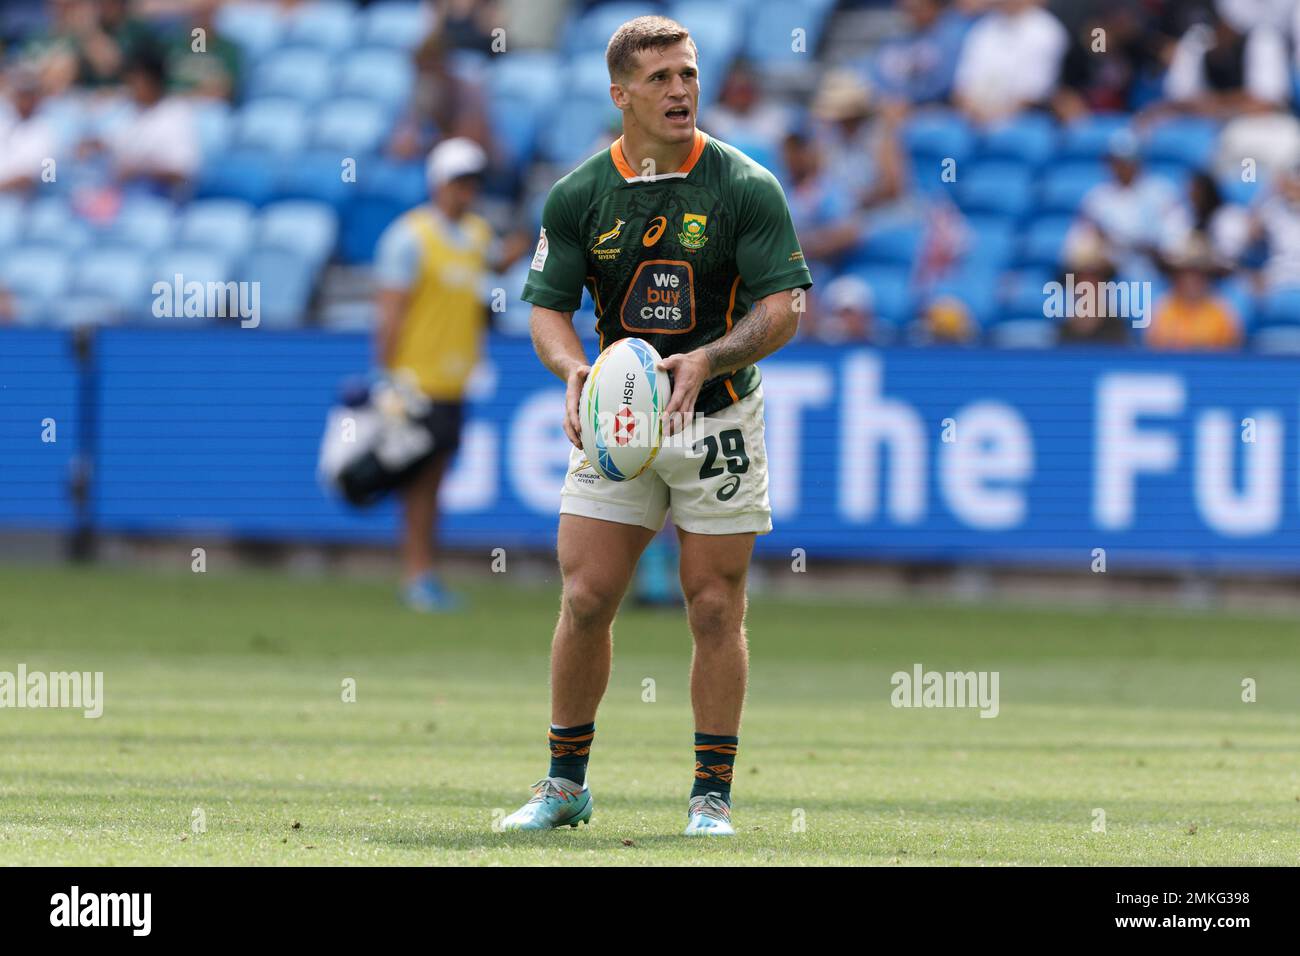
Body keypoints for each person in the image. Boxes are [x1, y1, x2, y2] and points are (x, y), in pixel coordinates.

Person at [511, 15, 811, 837]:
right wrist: (574, 371)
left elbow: (784, 307)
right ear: (621, 96)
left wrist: (708, 359)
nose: (680, 90)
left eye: (687, 73)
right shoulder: (579, 196)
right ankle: (564, 784)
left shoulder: (744, 185)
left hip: (717, 417)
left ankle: (710, 796)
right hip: (620, 420)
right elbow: (546, 310)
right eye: (659, 79)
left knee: (714, 606)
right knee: (585, 595)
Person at [373, 137, 528, 612]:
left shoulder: (477, 234)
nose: (467, 191)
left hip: (455, 380)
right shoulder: (410, 237)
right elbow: (391, 312)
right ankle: (417, 575)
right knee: (419, 485)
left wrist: (524, 246)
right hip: (416, 381)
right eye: (459, 182)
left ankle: (423, 574)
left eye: (472, 183)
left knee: (434, 482)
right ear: (438, 184)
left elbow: (487, 269)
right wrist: (387, 375)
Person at [1147, 235, 1240, 350]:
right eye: (1186, 274)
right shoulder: (1161, 310)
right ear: (1175, 276)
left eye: (1199, 274)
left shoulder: (1223, 313)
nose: (1191, 281)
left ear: (1208, 277)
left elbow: (1229, 357)